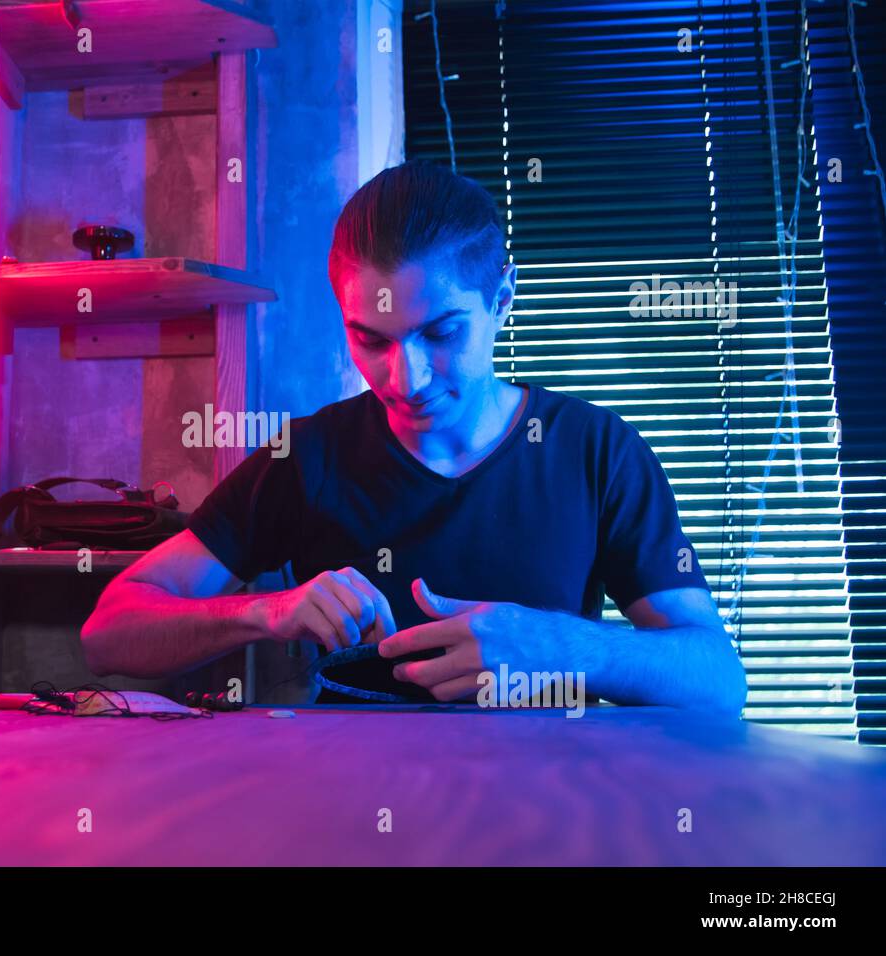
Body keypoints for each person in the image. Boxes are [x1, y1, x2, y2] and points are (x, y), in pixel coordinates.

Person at [80, 161, 748, 713]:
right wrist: (267, 611)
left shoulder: (594, 451)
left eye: (441, 332)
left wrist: (559, 649)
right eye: (370, 339)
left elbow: (718, 679)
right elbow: (110, 631)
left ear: (503, 299)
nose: (408, 377)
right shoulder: (308, 456)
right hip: (354, 822)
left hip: (545, 825)